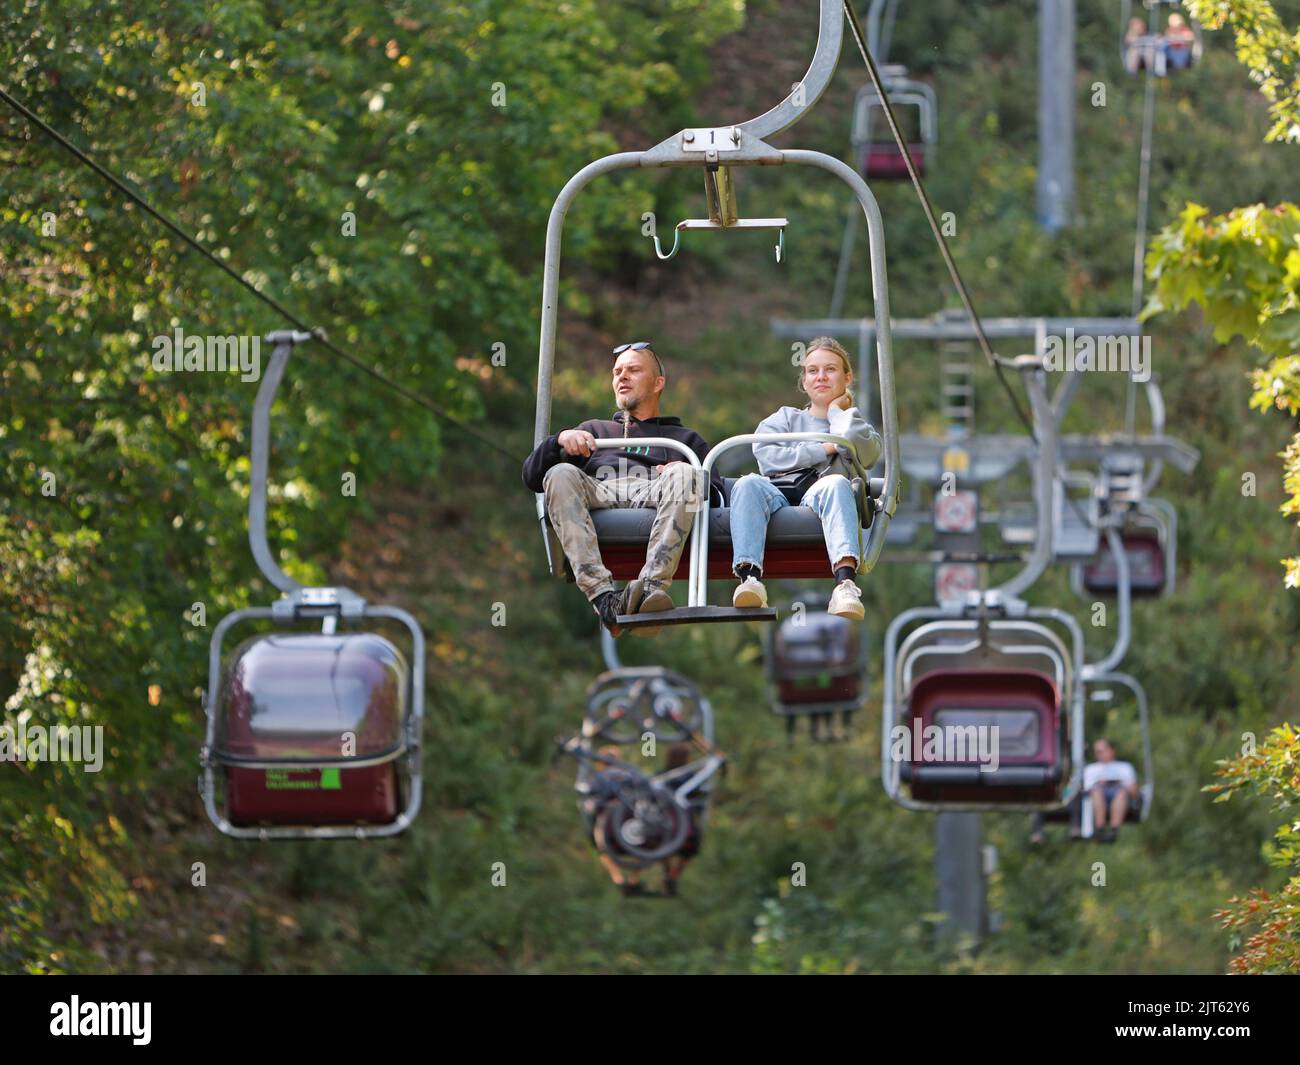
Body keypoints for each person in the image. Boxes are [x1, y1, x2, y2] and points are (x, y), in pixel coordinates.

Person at [522, 342, 721, 637]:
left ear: (658, 383)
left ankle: (648, 591)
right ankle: (605, 599)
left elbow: (716, 495)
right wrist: (558, 441)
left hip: (654, 493)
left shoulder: (685, 440)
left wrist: (682, 474)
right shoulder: (594, 431)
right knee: (561, 472)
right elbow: (533, 478)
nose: (622, 377)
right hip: (600, 491)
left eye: (633, 370)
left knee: (687, 473)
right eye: (617, 372)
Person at [729, 337, 883, 620]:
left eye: (830, 370)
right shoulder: (786, 419)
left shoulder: (854, 423)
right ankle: (750, 578)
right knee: (747, 483)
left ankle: (845, 584)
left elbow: (868, 453)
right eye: (812, 370)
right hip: (780, 491)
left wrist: (838, 412)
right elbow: (765, 455)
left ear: (847, 377)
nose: (821, 377)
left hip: (824, 496)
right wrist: (823, 449)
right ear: (804, 379)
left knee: (837, 483)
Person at [1083, 738, 1139, 842]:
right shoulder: (1090, 769)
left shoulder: (1125, 768)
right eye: (1097, 752)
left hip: (1119, 794)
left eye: (1102, 751)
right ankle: (1100, 829)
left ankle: (1114, 830)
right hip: (1097, 795)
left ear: (1111, 750)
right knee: (1096, 792)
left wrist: (1119, 784)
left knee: (1121, 793)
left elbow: (1134, 791)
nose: (1100, 754)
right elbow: (1087, 789)